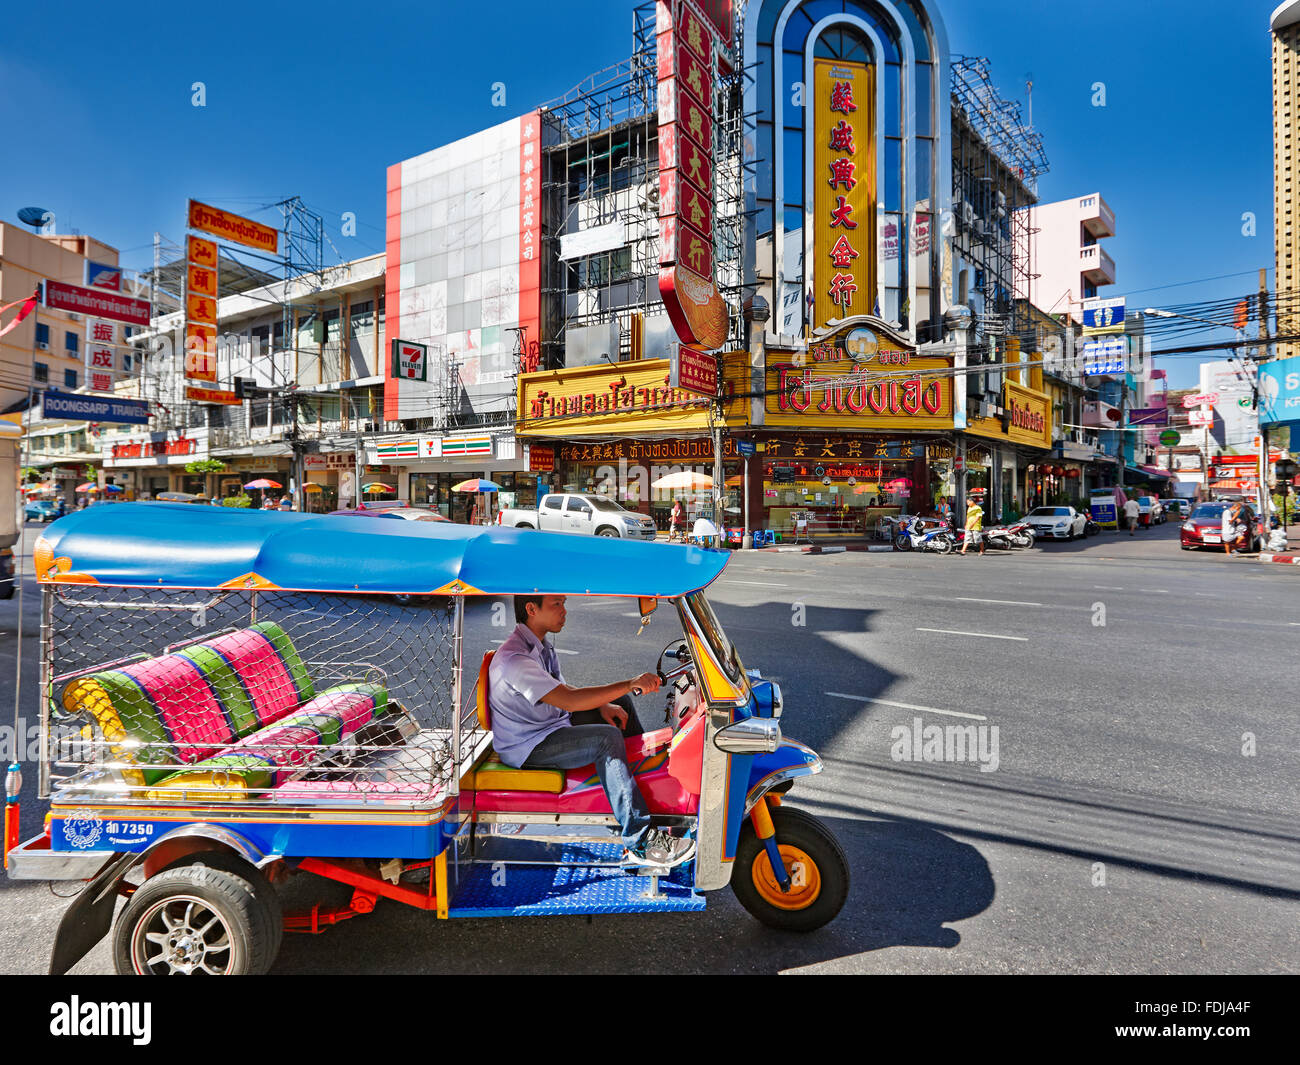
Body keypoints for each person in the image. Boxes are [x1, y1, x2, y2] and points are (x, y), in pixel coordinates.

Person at [488, 594, 695, 868]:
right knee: (605, 739)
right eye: (557, 605)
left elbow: (563, 691)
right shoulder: (516, 659)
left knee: (619, 705)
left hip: (549, 725)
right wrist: (630, 682)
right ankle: (642, 841)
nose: (565, 611)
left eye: (563, 603)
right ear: (531, 609)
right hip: (529, 745)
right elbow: (568, 700)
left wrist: (606, 704)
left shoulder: (538, 645)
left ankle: (646, 802)